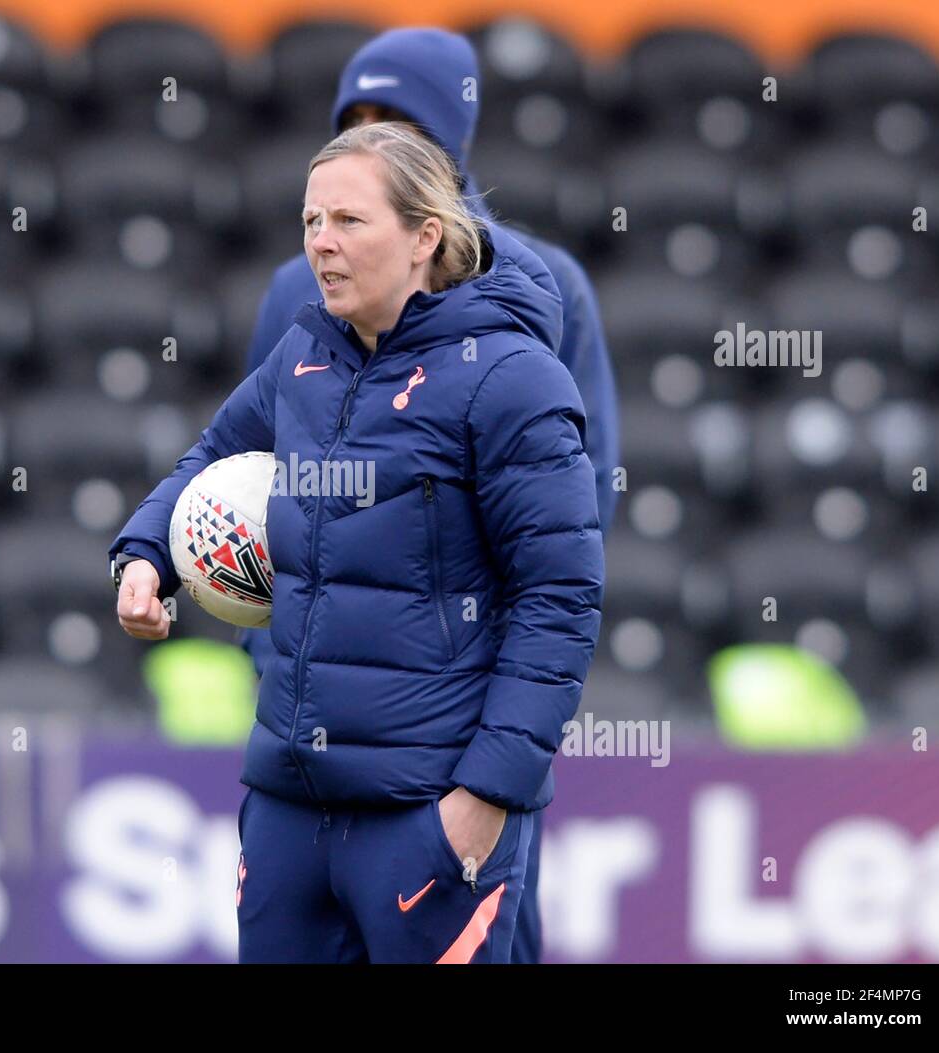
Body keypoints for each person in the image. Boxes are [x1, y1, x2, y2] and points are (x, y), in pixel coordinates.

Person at [110, 121, 603, 964]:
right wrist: (146, 552)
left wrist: (485, 794)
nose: (321, 244)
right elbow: (213, 456)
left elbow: (558, 600)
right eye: (310, 222)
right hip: (288, 808)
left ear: (425, 236)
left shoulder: (513, 378)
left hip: (427, 815)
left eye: (348, 221)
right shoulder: (305, 353)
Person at [237, 27, 619, 964]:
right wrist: (278, 648)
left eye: (398, 122)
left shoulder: (543, 288)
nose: (373, 141)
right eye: (354, 123)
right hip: (317, 755)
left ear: (455, 142)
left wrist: (485, 764)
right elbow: (252, 477)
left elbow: (570, 524)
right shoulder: (299, 288)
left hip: (455, 745)